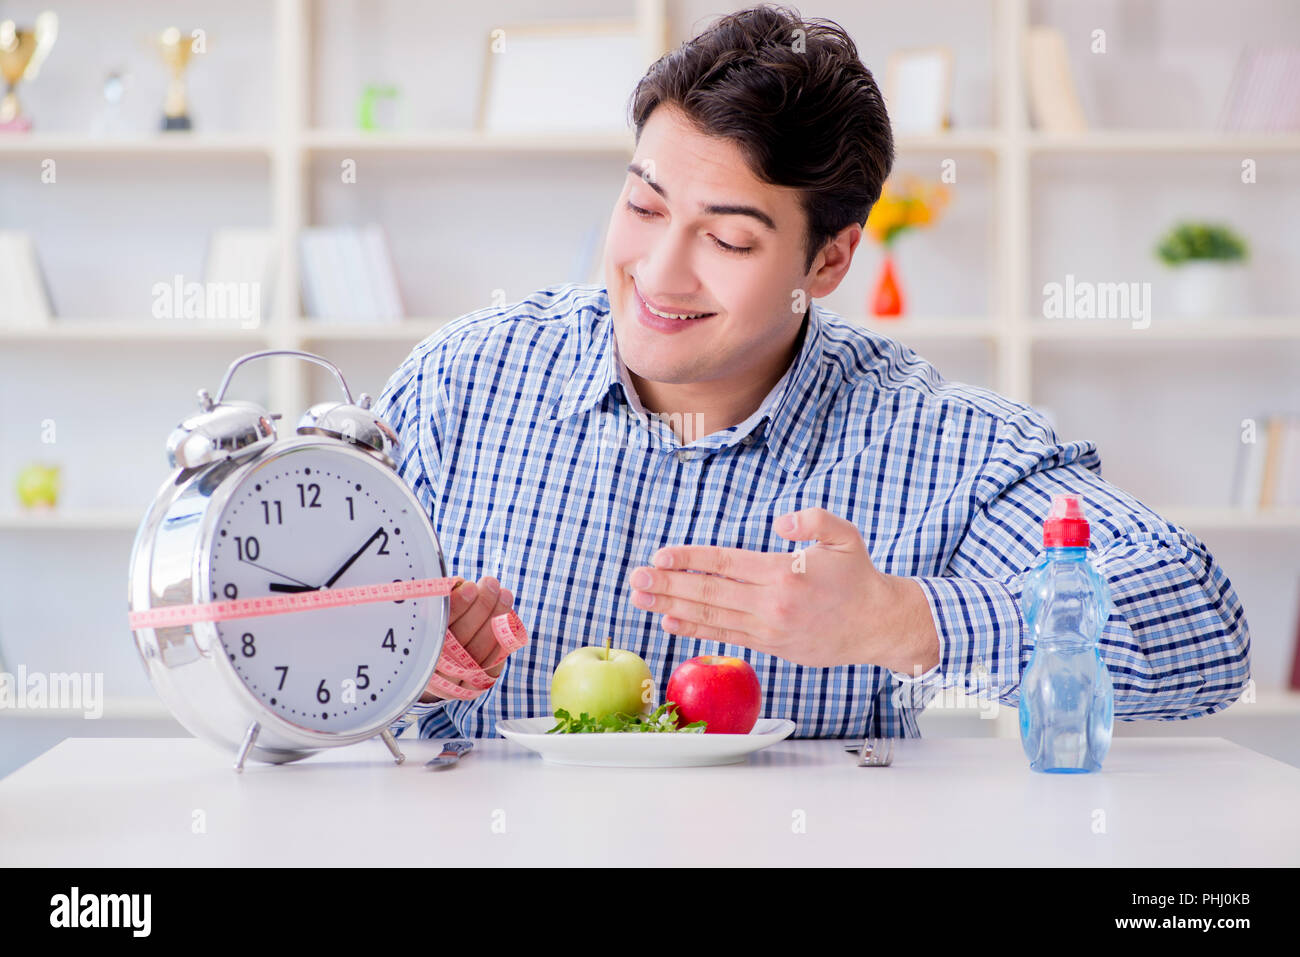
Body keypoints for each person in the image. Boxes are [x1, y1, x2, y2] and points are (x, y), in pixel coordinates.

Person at [381, 4, 1250, 740]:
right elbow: (272, 638)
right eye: (644, 206)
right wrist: (401, 661)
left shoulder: (930, 440)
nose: (659, 272)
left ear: (829, 263)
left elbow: (1205, 627)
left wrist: (903, 619)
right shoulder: (467, 379)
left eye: (727, 239)